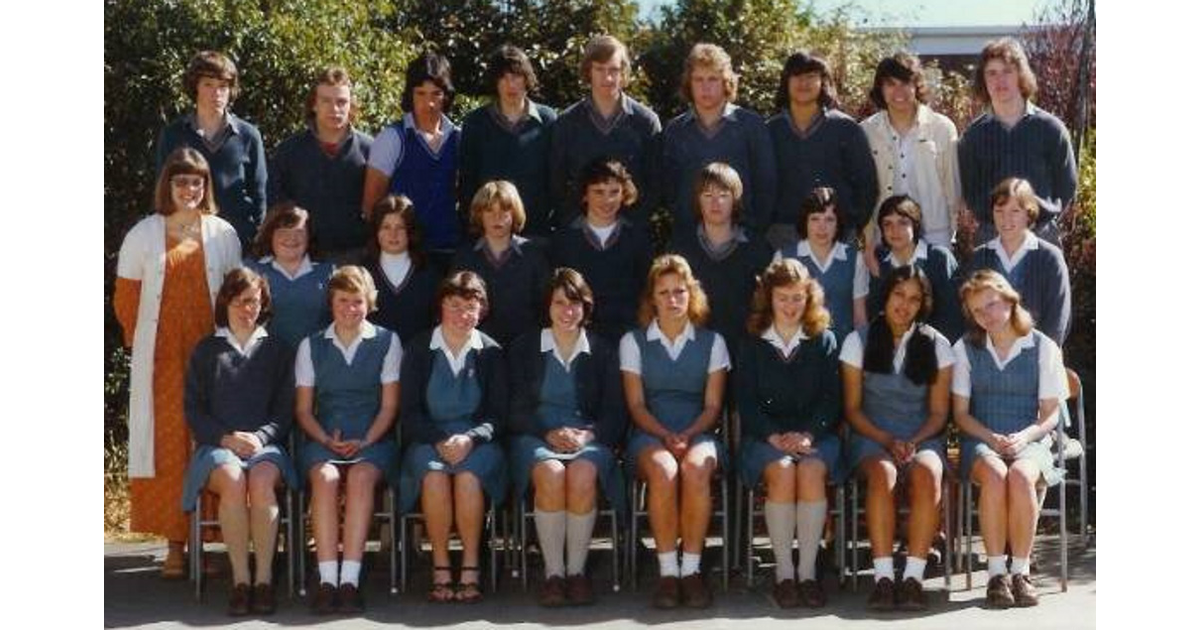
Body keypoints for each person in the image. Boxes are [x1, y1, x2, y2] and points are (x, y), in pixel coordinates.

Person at [115, 147, 242, 579]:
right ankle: (175, 545)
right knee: (170, 449)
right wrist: (143, 346)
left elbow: (239, 297)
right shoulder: (143, 235)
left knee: (208, 445)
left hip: (212, 360)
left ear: (206, 187)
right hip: (163, 361)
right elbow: (127, 300)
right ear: (167, 186)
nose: (190, 190)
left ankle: (206, 541)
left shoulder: (223, 234)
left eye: (197, 182)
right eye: (181, 181)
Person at [507, 268, 627, 607]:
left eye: (574, 303)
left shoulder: (603, 351)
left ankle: (576, 572)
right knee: (550, 472)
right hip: (536, 437)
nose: (566, 311)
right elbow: (514, 410)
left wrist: (588, 435)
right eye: (559, 303)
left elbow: (615, 414)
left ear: (586, 307)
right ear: (547, 306)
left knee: (583, 473)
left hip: (587, 439)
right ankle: (554, 574)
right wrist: (547, 433)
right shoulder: (524, 348)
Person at [181, 268, 297, 616]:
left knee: (261, 483)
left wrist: (259, 438)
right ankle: (240, 581)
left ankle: (263, 581)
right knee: (233, 480)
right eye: (241, 301)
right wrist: (226, 439)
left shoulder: (278, 349)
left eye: (255, 302)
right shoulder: (206, 350)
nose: (248, 309)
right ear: (226, 302)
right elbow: (194, 410)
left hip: (266, 445)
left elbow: (285, 409)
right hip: (218, 446)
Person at [952, 269, 1069, 609]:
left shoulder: (1042, 346)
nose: (986, 315)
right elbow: (960, 414)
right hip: (981, 435)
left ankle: (1021, 571)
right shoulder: (965, 348)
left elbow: (1049, 414)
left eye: (991, 305)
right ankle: (996, 574)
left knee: (1019, 475)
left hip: (1030, 436)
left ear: (1009, 299)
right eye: (978, 311)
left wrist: (1024, 437)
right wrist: (991, 437)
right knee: (995, 474)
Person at [841, 265, 954, 611]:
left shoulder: (938, 344)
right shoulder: (857, 340)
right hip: (871, 436)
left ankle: (913, 579)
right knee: (884, 473)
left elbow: (938, 413)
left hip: (922, 435)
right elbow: (853, 409)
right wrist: (887, 441)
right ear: (886, 295)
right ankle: (884, 578)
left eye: (914, 299)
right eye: (898, 295)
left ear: (923, 305)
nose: (904, 305)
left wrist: (914, 441)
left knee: (929, 473)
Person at [620, 255, 730, 609]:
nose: (672, 299)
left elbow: (713, 406)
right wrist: (667, 435)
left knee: (696, 468)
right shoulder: (633, 342)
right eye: (664, 292)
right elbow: (636, 406)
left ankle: (692, 571)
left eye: (679, 291)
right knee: (665, 470)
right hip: (650, 432)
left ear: (691, 294)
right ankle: (668, 572)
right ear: (653, 297)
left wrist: (687, 434)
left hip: (699, 430)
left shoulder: (713, 342)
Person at [294, 266, 402, 614]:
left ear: (370, 303)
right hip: (323, 437)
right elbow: (304, 411)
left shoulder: (388, 341)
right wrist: (326, 439)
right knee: (325, 478)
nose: (350, 309)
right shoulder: (310, 346)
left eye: (357, 301)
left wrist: (366, 440)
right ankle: (327, 579)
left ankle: (350, 580)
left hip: (373, 438)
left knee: (359, 477)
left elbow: (389, 407)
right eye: (343, 300)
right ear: (331, 302)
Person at [735, 258, 841, 609]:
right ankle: (784, 576)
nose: (791, 306)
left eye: (797, 297)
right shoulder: (751, 341)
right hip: (764, 438)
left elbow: (832, 399)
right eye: (783, 298)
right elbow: (745, 402)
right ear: (769, 297)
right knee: (781, 471)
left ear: (809, 297)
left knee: (810, 470)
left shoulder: (823, 339)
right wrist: (773, 437)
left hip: (816, 436)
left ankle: (808, 575)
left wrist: (808, 434)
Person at [398, 271, 509, 604]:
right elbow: (410, 412)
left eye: (470, 307)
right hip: (428, 439)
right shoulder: (419, 348)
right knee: (433, 475)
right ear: (441, 306)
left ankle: (472, 565)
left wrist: (470, 439)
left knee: (467, 477)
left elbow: (498, 415)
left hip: (478, 443)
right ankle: (442, 565)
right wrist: (438, 440)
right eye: (455, 305)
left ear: (482, 310)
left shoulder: (491, 352)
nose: (463, 314)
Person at [958, 37, 1077, 246]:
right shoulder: (973, 137)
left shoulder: (1051, 129)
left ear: (1021, 75)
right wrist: (999, 218)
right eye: (992, 73)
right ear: (983, 81)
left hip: (1041, 235)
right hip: (990, 236)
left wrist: (1038, 216)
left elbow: (1066, 186)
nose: (999, 80)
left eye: (1007, 71)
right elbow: (971, 192)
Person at [660, 44, 776, 236]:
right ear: (689, 83)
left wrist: (753, 232)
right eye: (698, 79)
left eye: (713, 79)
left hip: (743, 238)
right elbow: (669, 190)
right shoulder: (675, 130)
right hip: (689, 238)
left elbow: (766, 185)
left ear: (726, 82)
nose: (705, 87)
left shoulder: (751, 125)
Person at [768, 50, 877, 250]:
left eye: (811, 76)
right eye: (797, 76)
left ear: (823, 82)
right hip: (782, 236)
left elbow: (867, 185)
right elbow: (761, 186)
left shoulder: (846, 128)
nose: (804, 83)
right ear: (786, 81)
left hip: (837, 236)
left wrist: (850, 224)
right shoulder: (770, 131)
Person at [549, 34, 661, 229]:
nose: (607, 77)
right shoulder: (567, 122)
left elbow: (656, 185)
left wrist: (632, 224)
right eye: (600, 69)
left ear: (624, 73)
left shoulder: (646, 122)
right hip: (579, 236)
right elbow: (556, 183)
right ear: (588, 72)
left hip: (632, 236)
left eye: (614, 70)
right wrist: (577, 223)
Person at [156, 51, 267, 247]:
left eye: (223, 86)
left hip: (239, 242)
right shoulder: (173, 135)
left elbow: (260, 194)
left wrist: (258, 241)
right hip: (186, 242)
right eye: (208, 84)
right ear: (195, 87)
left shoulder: (249, 136)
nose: (216, 93)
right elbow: (162, 190)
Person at [363, 52, 461, 271]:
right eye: (420, 93)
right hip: (403, 255)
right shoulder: (392, 138)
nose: (429, 102)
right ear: (410, 95)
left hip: (448, 251)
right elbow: (371, 206)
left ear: (446, 96)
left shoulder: (458, 138)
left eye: (436, 93)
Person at [268, 66, 373, 264]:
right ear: (314, 104)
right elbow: (276, 206)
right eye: (326, 101)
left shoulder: (370, 150)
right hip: (303, 259)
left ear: (351, 106)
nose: (334, 109)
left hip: (358, 260)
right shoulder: (289, 151)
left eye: (341, 102)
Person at [860, 52, 961, 249]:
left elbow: (953, 188)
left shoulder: (942, 128)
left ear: (917, 85)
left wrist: (950, 236)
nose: (899, 91)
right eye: (890, 83)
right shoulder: (866, 131)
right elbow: (864, 192)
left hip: (934, 236)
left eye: (905, 82)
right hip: (884, 238)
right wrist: (868, 240)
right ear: (880, 88)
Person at [667, 162, 773, 349]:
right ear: (698, 200)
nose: (715, 203)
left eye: (723, 195)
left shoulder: (758, 249)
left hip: (745, 348)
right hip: (694, 348)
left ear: (736, 200)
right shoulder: (680, 248)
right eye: (708, 195)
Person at [459, 45, 558, 240]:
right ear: (495, 82)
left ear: (527, 79)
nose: (510, 84)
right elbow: (467, 182)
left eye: (516, 76)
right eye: (503, 77)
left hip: (537, 233)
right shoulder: (475, 123)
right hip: (489, 234)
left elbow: (556, 177)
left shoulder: (547, 120)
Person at [550, 158, 654, 344]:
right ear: (585, 194)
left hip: (627, 337)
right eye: (598, 192)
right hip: (578, 337)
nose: (607, 200)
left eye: (614, 192)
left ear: (624, 194)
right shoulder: (564, 240)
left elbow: (646, 292)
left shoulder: (638, 239)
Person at [960, 178, 1071, 346]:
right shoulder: (978, 258)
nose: (1006, 219)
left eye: (1015, 211)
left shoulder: (1050, 258)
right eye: (999, 211)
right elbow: (968, 315)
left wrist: (1039, 358)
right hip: (986, 356)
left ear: (1029, 213)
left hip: (1036, 357)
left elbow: (1057, 321)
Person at [450, 180, 551, 346]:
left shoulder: (533, 254)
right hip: (477, 347)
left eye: (504, 210)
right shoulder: (465, 257)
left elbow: (546, 305)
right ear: (479, 214)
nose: (497, 218)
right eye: (489, 211)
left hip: (525, 346)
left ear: (515, 214)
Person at [774, 187, 869, 342]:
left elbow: (860, 316)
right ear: (805, 221)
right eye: (815, 219)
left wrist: (861, 354)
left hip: (844, 351)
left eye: (829, 219)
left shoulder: (854, 259)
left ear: (838, 223)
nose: (822, 227)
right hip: (801, 352)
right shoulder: (783, 257)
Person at [867, 195, 962, 342]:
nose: (894, 230)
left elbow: (953, 317)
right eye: (887, 224)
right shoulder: (877, 261)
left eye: (902, 223)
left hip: (934, 349)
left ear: (915, 225)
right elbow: (874, 314)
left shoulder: (938, 258)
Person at [246, 202, 335, 348]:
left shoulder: (328, 273)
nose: (291, 238)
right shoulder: (251, 272)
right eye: (283, 232)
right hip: (267, 361)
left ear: (309, 236)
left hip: (317, 361)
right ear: (270, 235)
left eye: (299, 232)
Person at [364, 194, 440, 345]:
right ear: (376, 231)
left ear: (411, 232)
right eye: (386, 227)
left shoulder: (430, 273)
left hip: (417, 359)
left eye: (400, 227)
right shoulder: (362, 274)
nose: (393, 234)